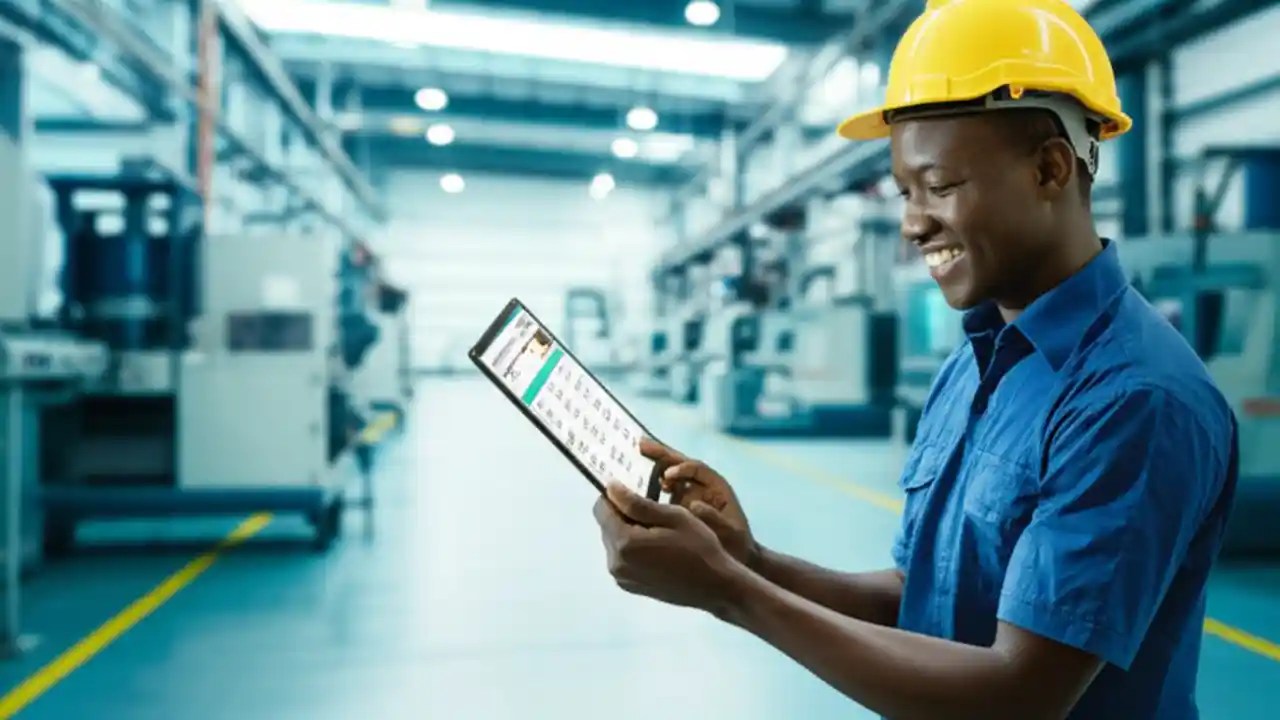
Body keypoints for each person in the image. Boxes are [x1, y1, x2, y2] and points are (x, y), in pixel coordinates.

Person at [591, 1, 1238, 718]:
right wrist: (751, 561)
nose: (911, 222)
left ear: (1051, 168)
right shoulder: (977, 363)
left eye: (941, 186)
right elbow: (922, 600)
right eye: (905, 191)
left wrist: (728, 592)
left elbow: (1018, 695)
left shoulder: (1134, 398)